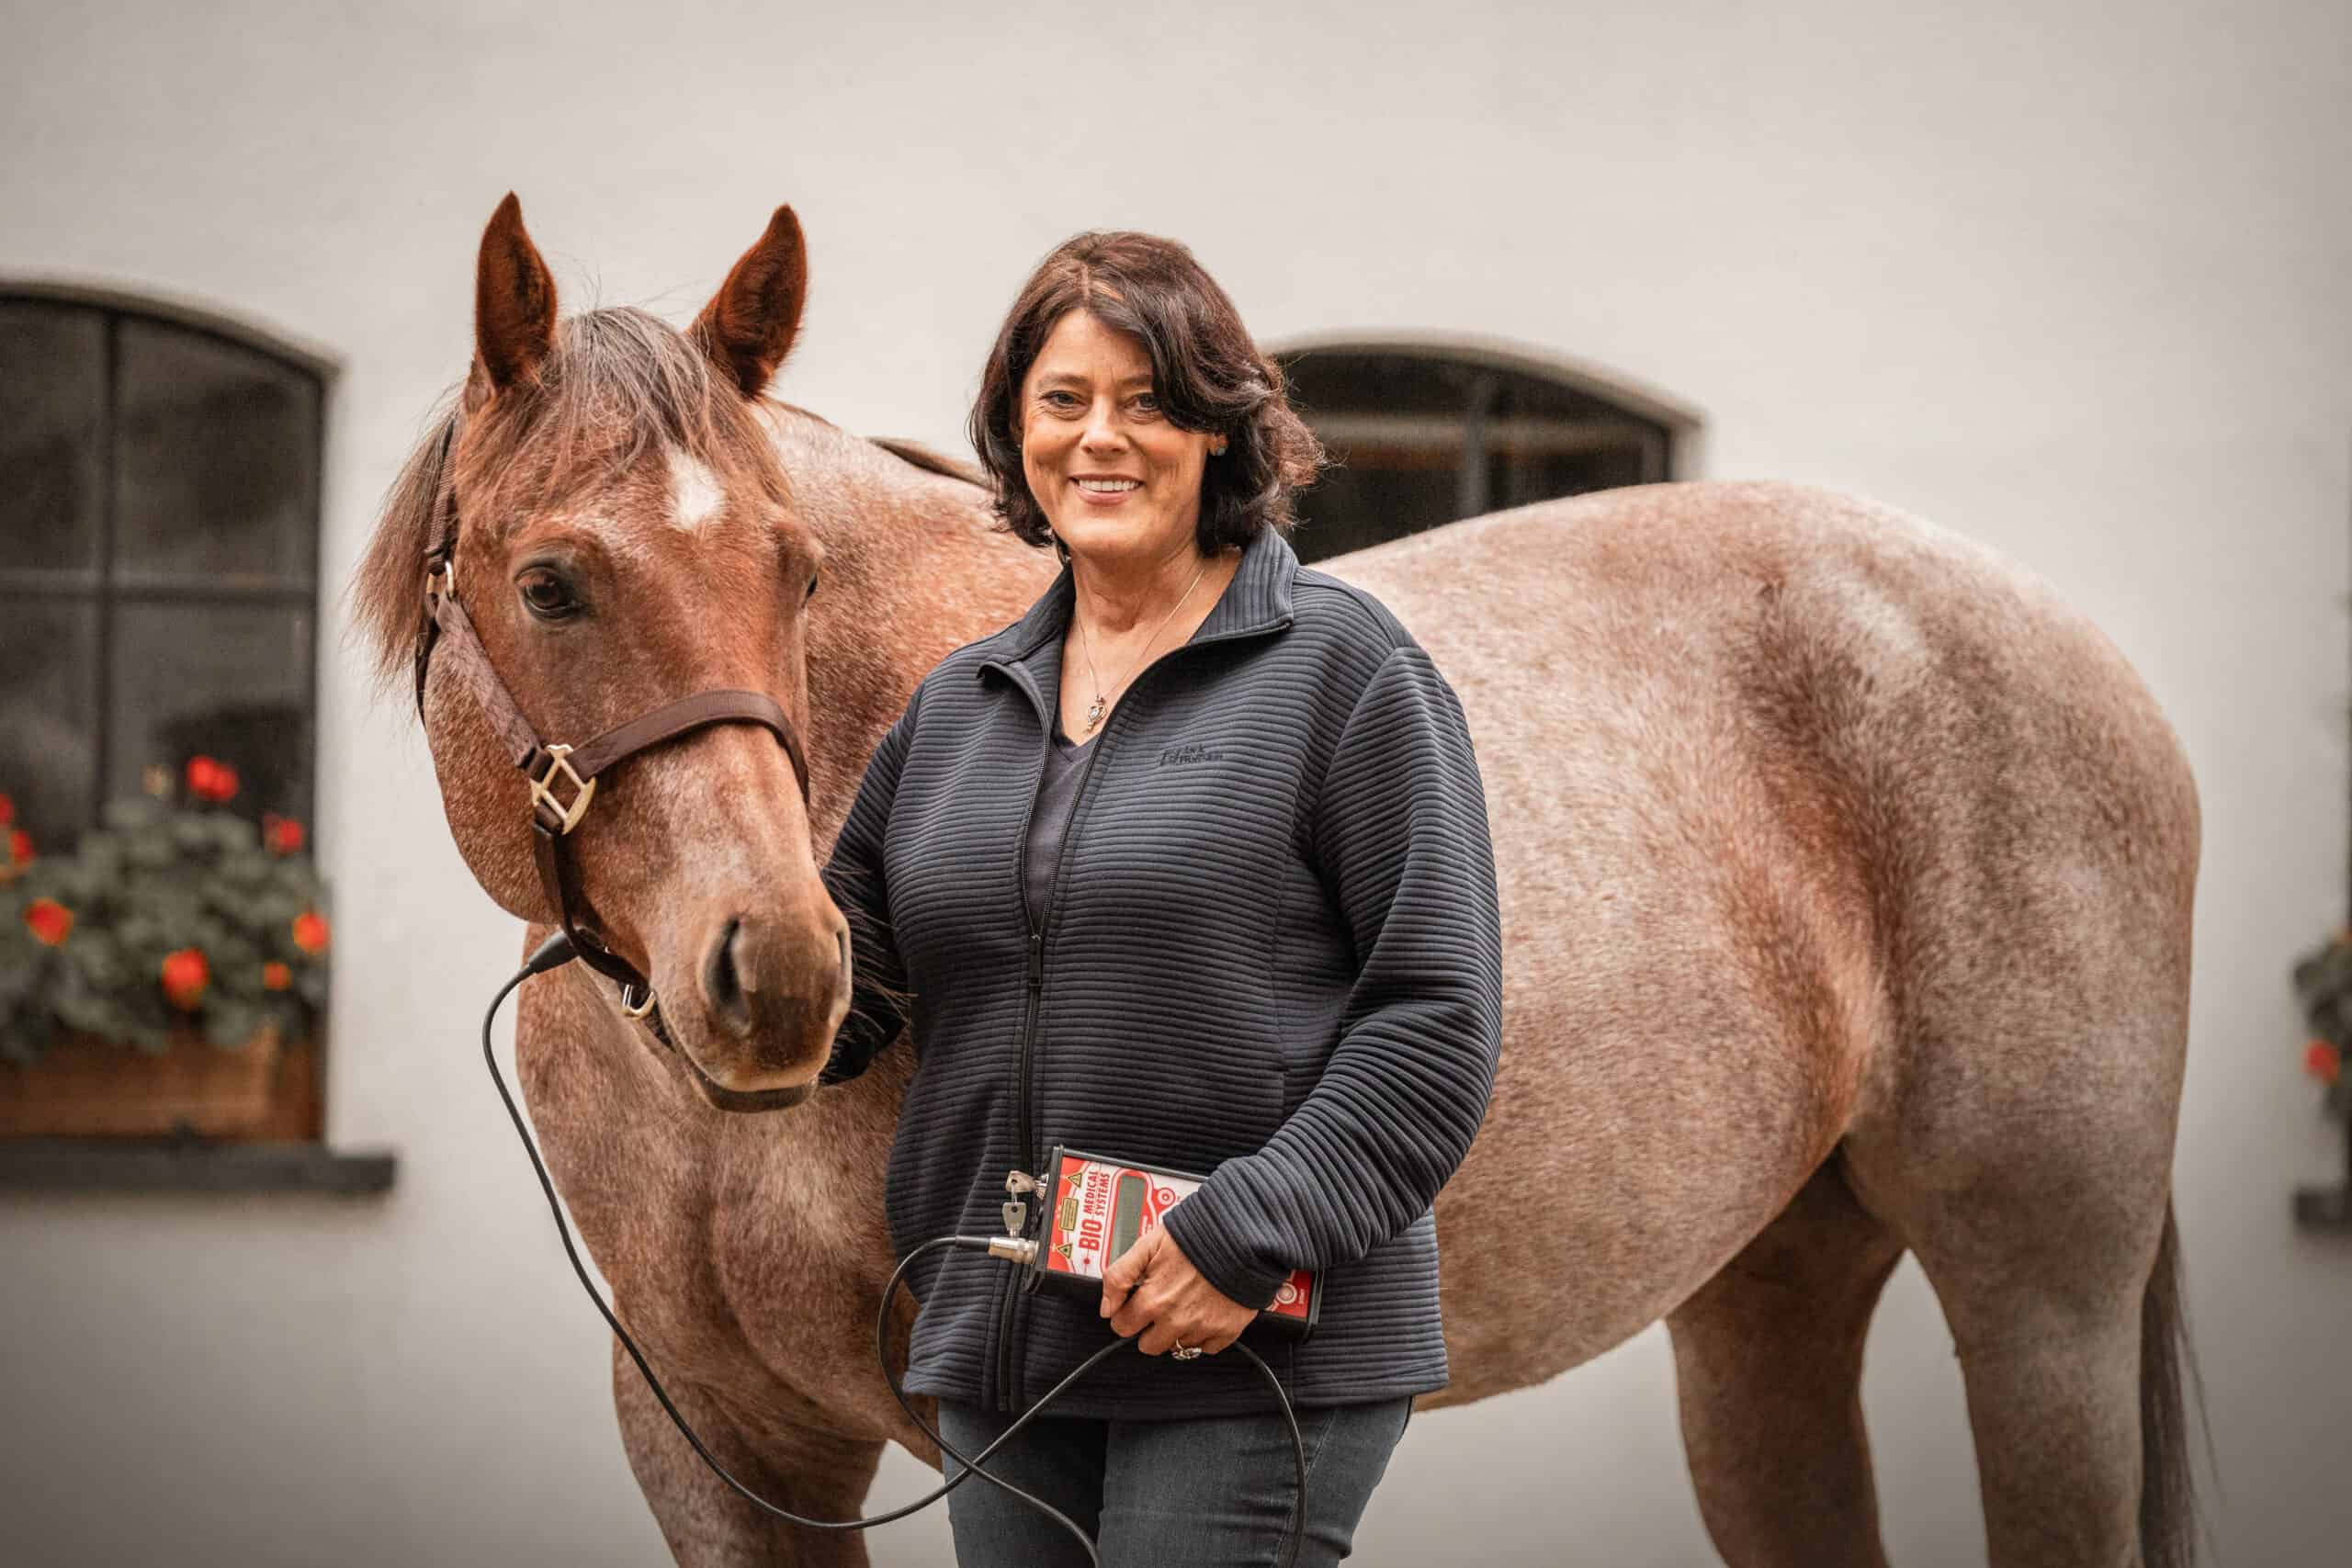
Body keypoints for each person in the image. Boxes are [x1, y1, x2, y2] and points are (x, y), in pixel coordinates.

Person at [817, 229, 1504, 1567]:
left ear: (1219, 430)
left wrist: (1246, 1235)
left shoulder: (1345, 669)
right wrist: (662, 919)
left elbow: (1437, 1016)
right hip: (1005, 1346)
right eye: (1063, 401)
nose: (1100, 438)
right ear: (1016, 433)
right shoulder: (960, 706)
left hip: (1251, 1336)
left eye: (1146, 402)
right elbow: (839, 1008)